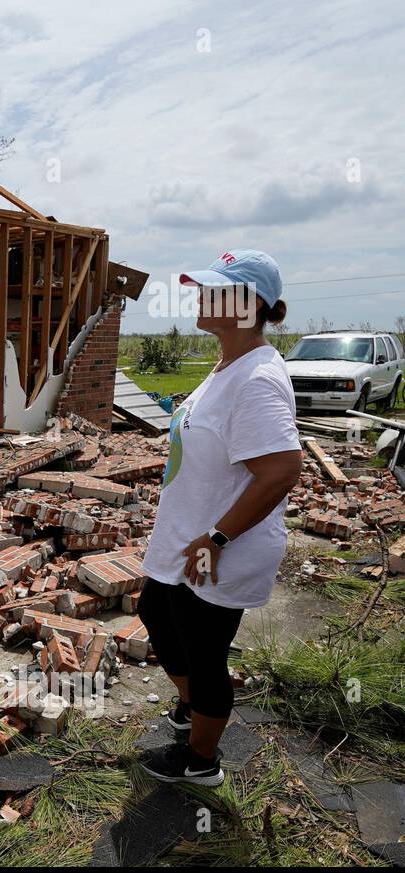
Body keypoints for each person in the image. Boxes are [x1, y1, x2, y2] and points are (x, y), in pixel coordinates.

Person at [137, 250, 303, 786]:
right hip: (188, 538)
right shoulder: (225, 365)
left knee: (204, 651)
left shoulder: (256, 379)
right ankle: (194, 710)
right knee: (157, 615)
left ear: (249, 304)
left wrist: (218, 535)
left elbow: (280, 471)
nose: (201, 296)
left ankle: (200, 761)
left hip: (218, 546)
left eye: (215, 289)